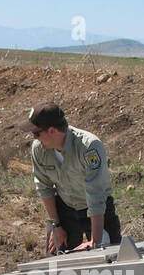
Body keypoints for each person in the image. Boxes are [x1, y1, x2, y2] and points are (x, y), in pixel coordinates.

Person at [19, 103, 122, 254]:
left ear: (52, 130)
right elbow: (44, 188)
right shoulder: (38, 150)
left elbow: (96, 193)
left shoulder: (88, 146)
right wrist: (57, 226)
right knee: (58, 262)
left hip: (97, 210)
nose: (34, 138)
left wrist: (96, 240)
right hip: (66, 209)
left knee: (108, 260)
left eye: (37, 134)